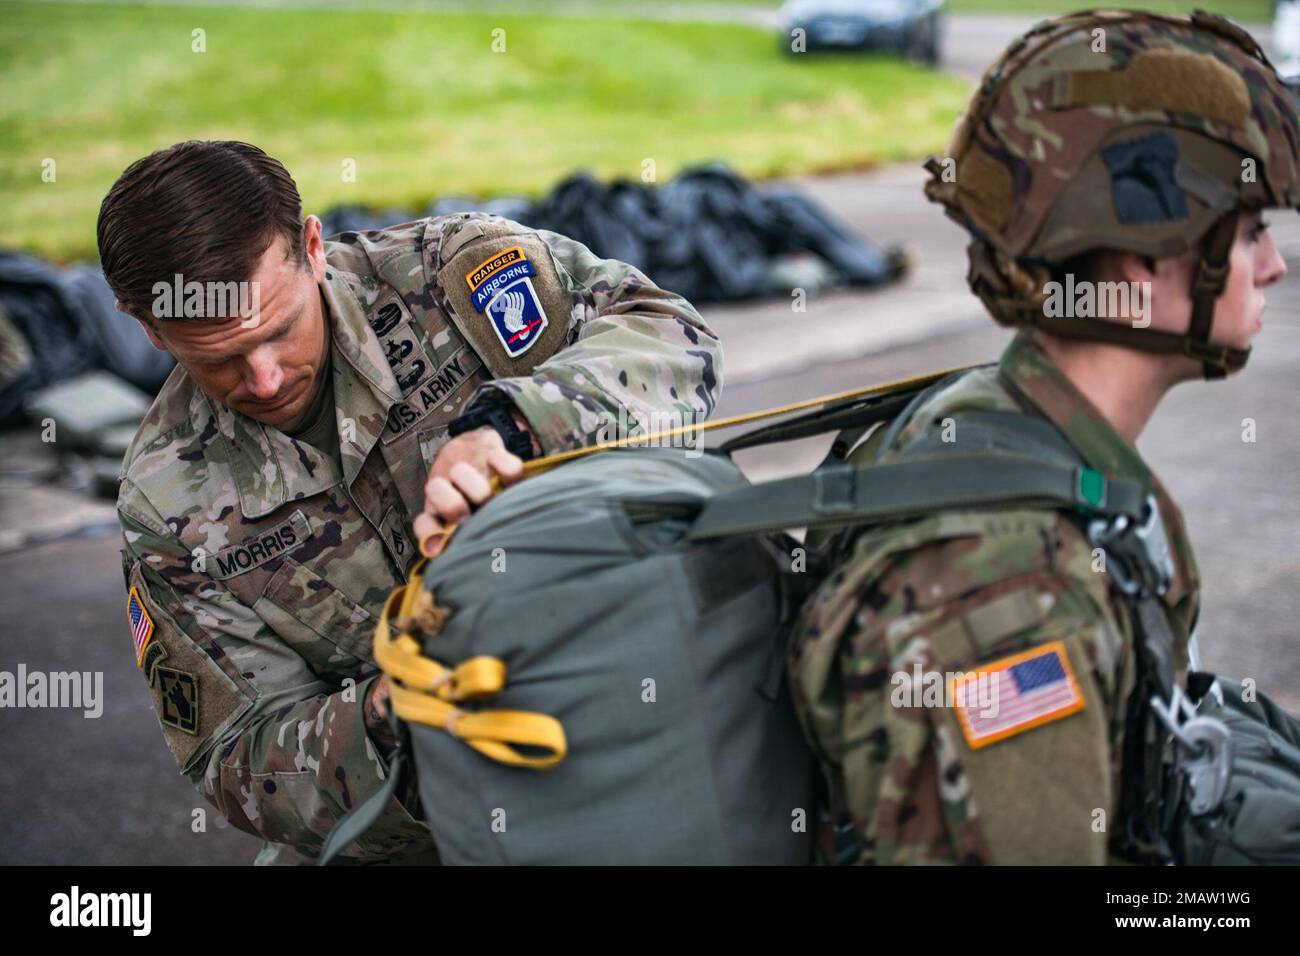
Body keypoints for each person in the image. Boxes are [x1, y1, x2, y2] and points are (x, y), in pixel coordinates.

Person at [103, 140, 721, 864]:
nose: (265, 380)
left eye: (278, 331)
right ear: (144, 326)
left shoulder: (453, 280)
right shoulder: (166, 502)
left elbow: (672, 341)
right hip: (429, 816)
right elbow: (237, 755)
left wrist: (518, 424)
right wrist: (395, 717)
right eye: (217, 359)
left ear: (312, 247)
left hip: (648, 687)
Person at [787, 9, 1299, 864]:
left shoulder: (1008, 425)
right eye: (1249, 233)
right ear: (1144, 255)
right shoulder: (1011, 599)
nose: (1274, 266)